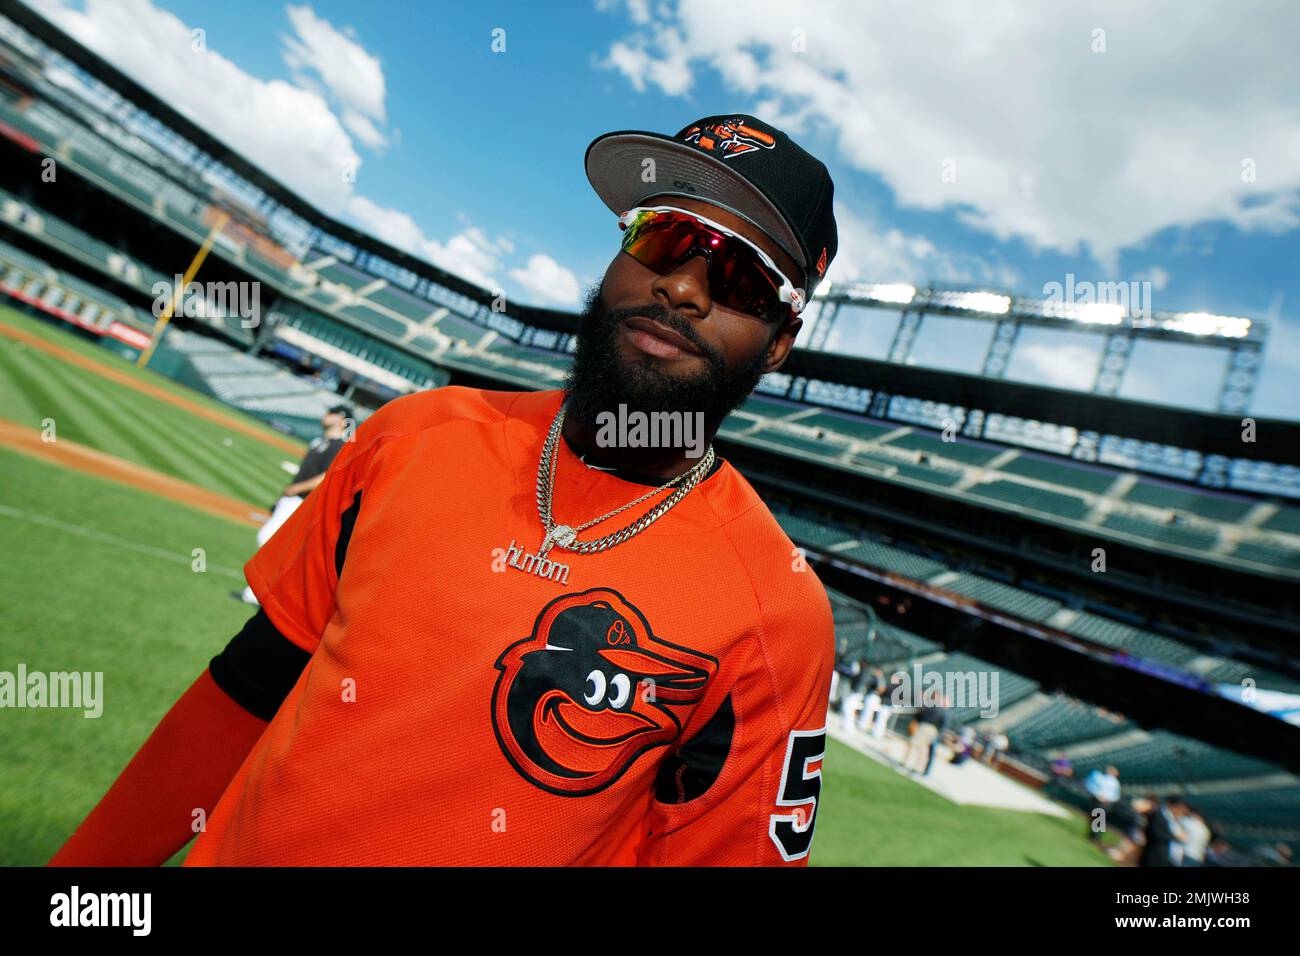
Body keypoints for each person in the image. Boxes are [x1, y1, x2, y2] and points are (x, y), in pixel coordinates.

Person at [48, 113, 841, 867]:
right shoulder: (414, 436)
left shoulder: (776, 613)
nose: (683, 288)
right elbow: (245, 692)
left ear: (779, 341)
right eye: (665, 235)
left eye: (740, 275)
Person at [238, 404, 354, 605]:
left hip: (303, 501)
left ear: (343, 420)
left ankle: (271, 589)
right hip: (292, 499)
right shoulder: (320, 441)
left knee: (269, 540)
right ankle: (259, 592)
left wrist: (297, 488)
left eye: (332, 413)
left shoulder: (340, 445)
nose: (326, 415)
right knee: (274, 543)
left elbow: (326, 477)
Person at [1084, 765, 1122, 842]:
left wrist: (1107, 799)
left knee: (1099, 819)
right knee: (1094, 818)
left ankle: (1095, 837)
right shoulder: (1102, 777)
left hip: (1106, 803)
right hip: (1098, 800)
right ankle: (1092, 835)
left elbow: (1116, 796)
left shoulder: (1115, 783)